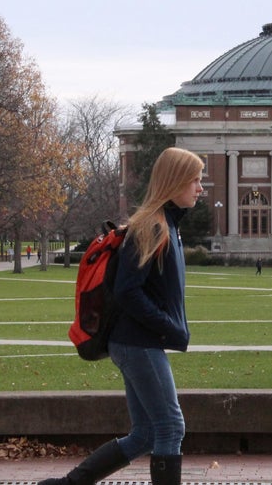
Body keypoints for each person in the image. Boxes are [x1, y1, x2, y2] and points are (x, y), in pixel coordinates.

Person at [37, 147, 203, 485]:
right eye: (195, 180)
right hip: (137, 342)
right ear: (175, 182)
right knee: (171, 427)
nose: (200, 188)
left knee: (144, 434)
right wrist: (169, 327)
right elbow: (128, 291)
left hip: (137, 341)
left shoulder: (168, 225)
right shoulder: (152, 227)